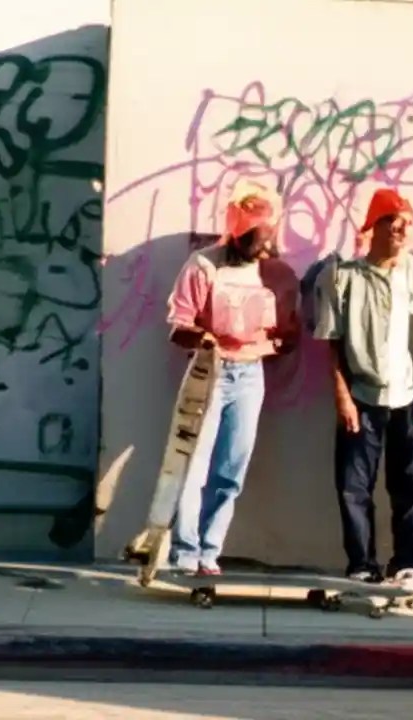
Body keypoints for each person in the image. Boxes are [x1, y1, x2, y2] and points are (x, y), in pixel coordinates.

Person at [313, 188, 413, 592]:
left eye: (406, 223)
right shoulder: (343, 277)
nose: (400, 229)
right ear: (373, 226)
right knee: (353, 486)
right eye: (391, 221)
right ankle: (361, 564)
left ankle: (409, 564)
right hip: (362, 396)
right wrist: (342, 396)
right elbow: (333, 342)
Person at [164, 178, 293, 576]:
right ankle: (184, 552)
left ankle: (209, 551)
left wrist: (270, 341)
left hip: (250, 375)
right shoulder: (204, 265)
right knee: (192, 467)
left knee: (230, 470)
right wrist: (205, 338)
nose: (261, 242)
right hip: (209, 372)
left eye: (266, 233)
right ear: (236, 230)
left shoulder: (277, 275)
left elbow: (290, 336)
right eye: (252, 234)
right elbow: (177, 326)